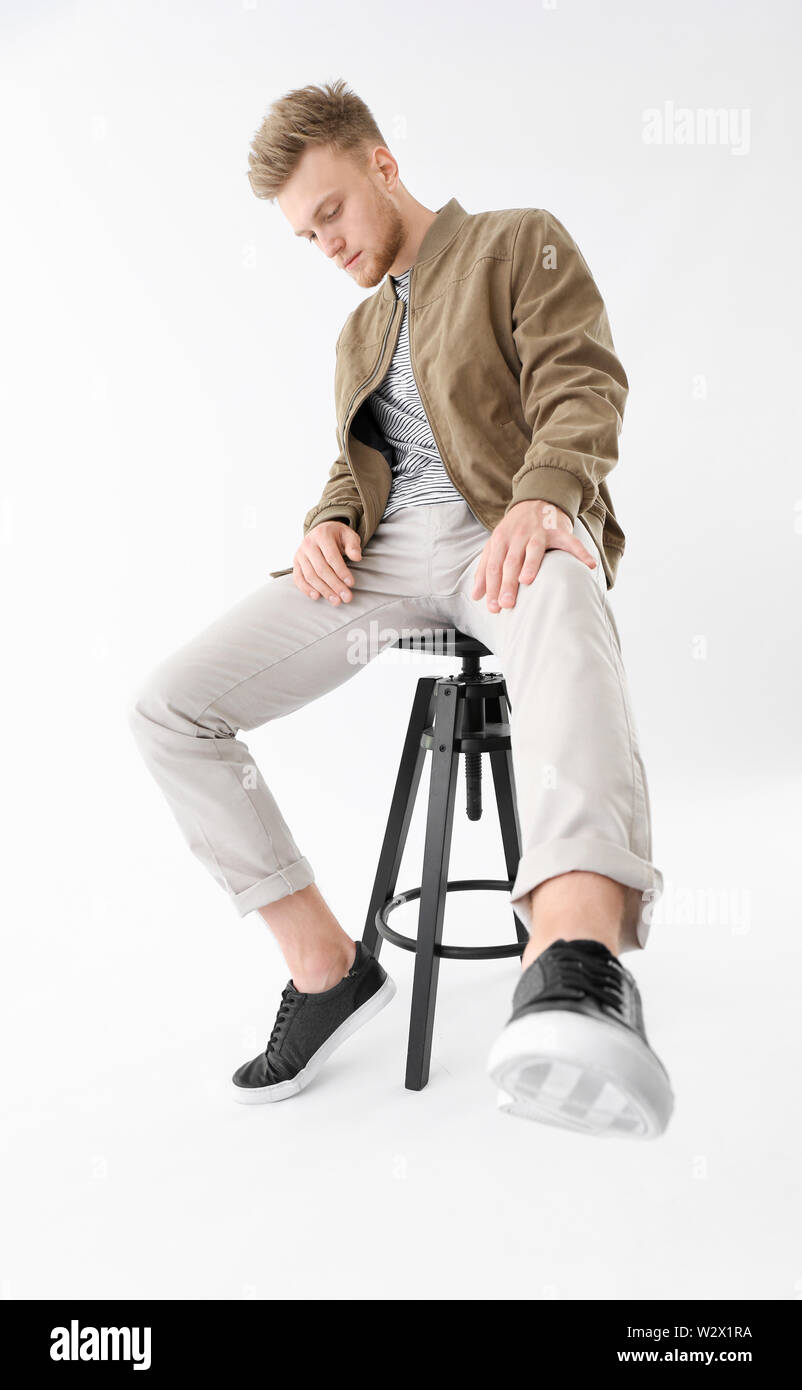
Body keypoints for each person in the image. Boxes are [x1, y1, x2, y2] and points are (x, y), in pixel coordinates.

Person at [127, 78, 674, 1140]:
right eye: (303, 232)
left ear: (381, 162)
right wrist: (324, 523)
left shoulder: (517, 243)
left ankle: (572, 960)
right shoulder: (357, 332)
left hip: (502, 528)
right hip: (380, 567)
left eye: (329, 211)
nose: (323, 242)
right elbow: (355, 466)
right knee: (167, 706)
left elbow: (582, 381)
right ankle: (324, 965)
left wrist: (544, 494)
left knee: (561, 590)